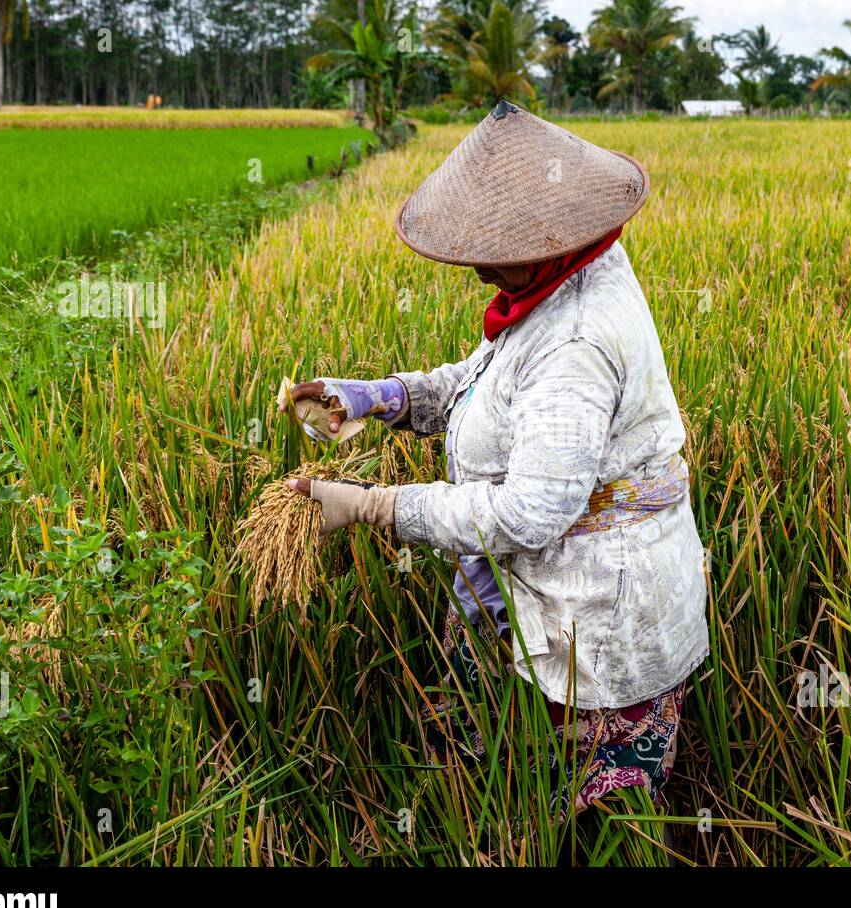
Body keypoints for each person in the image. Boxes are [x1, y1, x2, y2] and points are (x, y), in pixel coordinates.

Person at [281, 101, 708, 814]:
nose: (478, 269)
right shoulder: (556, 281)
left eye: (492, 248)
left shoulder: (577, 338)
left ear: (549, 237)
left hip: (592, 628)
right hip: (531, 600)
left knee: (582, 827)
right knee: (497, 796)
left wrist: (371, 506)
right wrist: (380, 397)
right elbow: (488, 385)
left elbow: (530, 511)